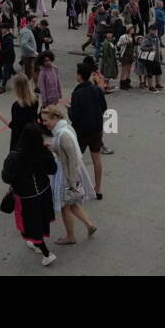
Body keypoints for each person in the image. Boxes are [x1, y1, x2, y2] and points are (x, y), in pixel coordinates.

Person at [1, 123, 58, 266]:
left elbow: (6, 178)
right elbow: (52, 169)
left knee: (30, 226)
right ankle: (36, 244)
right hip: (44, 191)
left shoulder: (14, 157)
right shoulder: (43, 151)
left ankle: (46, 253)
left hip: (26, 197)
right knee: (41, 219)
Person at [40, 105, 98, 245]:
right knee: (72, 203)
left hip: (66, 174)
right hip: (69, 172)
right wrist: (52, 147)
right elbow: (66, 151)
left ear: (55, 118)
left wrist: (72, 182)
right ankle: (89, 225)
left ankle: (70, 236)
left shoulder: (63, 135)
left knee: (64, 206)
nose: (44, 123)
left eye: (46, 120)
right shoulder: (65, 128)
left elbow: (71, 159)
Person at [68, 62, 108, 199]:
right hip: (96, 128)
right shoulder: (97, 89)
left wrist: (69, 109)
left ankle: (77, 187)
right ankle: (98, 188)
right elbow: (104, 107)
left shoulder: (77, 93)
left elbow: (74, 116)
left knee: (76, 159)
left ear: (80, 76)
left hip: (82, 130)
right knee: (96, 157)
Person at [0, 73, 40, 152]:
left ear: (17, 88)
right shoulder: (35, 100)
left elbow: (14, 126)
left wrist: (0, 115)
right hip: (32, 135)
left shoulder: (17, 106)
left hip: (20, 139)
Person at [139, 26, 164, 92]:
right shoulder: (147, 38)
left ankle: (157, 84)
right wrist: (150, 48)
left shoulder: (156, 37)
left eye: (155, 30)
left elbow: (158, 47)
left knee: (158, 72)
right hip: (149, 59)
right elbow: (142, 48)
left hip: (156, 58)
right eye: (153, 30)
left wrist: (160, 55)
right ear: (150, 30)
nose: (155, 31)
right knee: (150, 73)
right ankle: (151, 87)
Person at [0, 24, 16, 94]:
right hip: (5, 57)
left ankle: (3, 87)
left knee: (5, 72)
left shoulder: (9, 38)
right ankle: (22, 80)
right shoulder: (3, 35)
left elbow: (9, 49)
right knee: (12, 71)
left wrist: (0, 52)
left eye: (3, 29)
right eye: (1, 29)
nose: (1, 30)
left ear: (7, 29)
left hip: (9, 58)